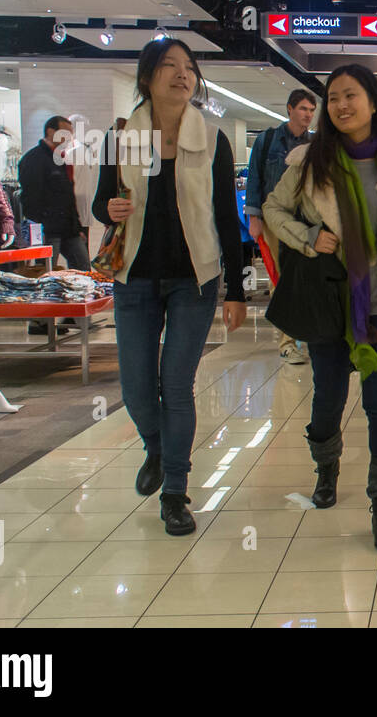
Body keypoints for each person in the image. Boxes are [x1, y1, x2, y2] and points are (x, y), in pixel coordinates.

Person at [264, 64, 377, 552]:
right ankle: (327, 466)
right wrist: (308, 237)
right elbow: (270, 211)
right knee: (327, 399)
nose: (341, 105)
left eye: (351, 95)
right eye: (334, 98)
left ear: (372, 101)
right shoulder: (308, 161)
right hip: (328, 296)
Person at [93, 38, 246, 536]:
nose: (183, 75)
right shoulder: (121, 138)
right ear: (147, 77)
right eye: (170, 67)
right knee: (137, 387)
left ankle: (176, 492)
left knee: (175, 384)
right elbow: (102, 204)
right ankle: (156, 448)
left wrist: (238, 289)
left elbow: (227, 216)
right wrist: (109, 211)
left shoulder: (213, 139)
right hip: (134, 277)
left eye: (189, 68)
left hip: (194, 279)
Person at [245, 89, 316, 364]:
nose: (308, 114)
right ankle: (287, 343)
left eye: (311, 110)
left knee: (307, 278)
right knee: (280, 279)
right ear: (289, 109)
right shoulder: (268, 141)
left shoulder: (314, 145)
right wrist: (254, 217)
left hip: (304, 221)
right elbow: (255, 178)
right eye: (302, 109)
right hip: (275, 220)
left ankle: (308, 334)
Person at [19, 115, 90, 335]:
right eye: (65, 132)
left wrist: (78, 226)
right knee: (45, 274)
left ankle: (74, 313)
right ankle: (39, 322)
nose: (69, 137)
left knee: (82, 267)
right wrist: (38, 230)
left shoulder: (60, 159)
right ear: (50, 132)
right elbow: (30, 199)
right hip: (47, 230)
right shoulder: (34, 160)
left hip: (68, 228)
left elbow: (67, 196)